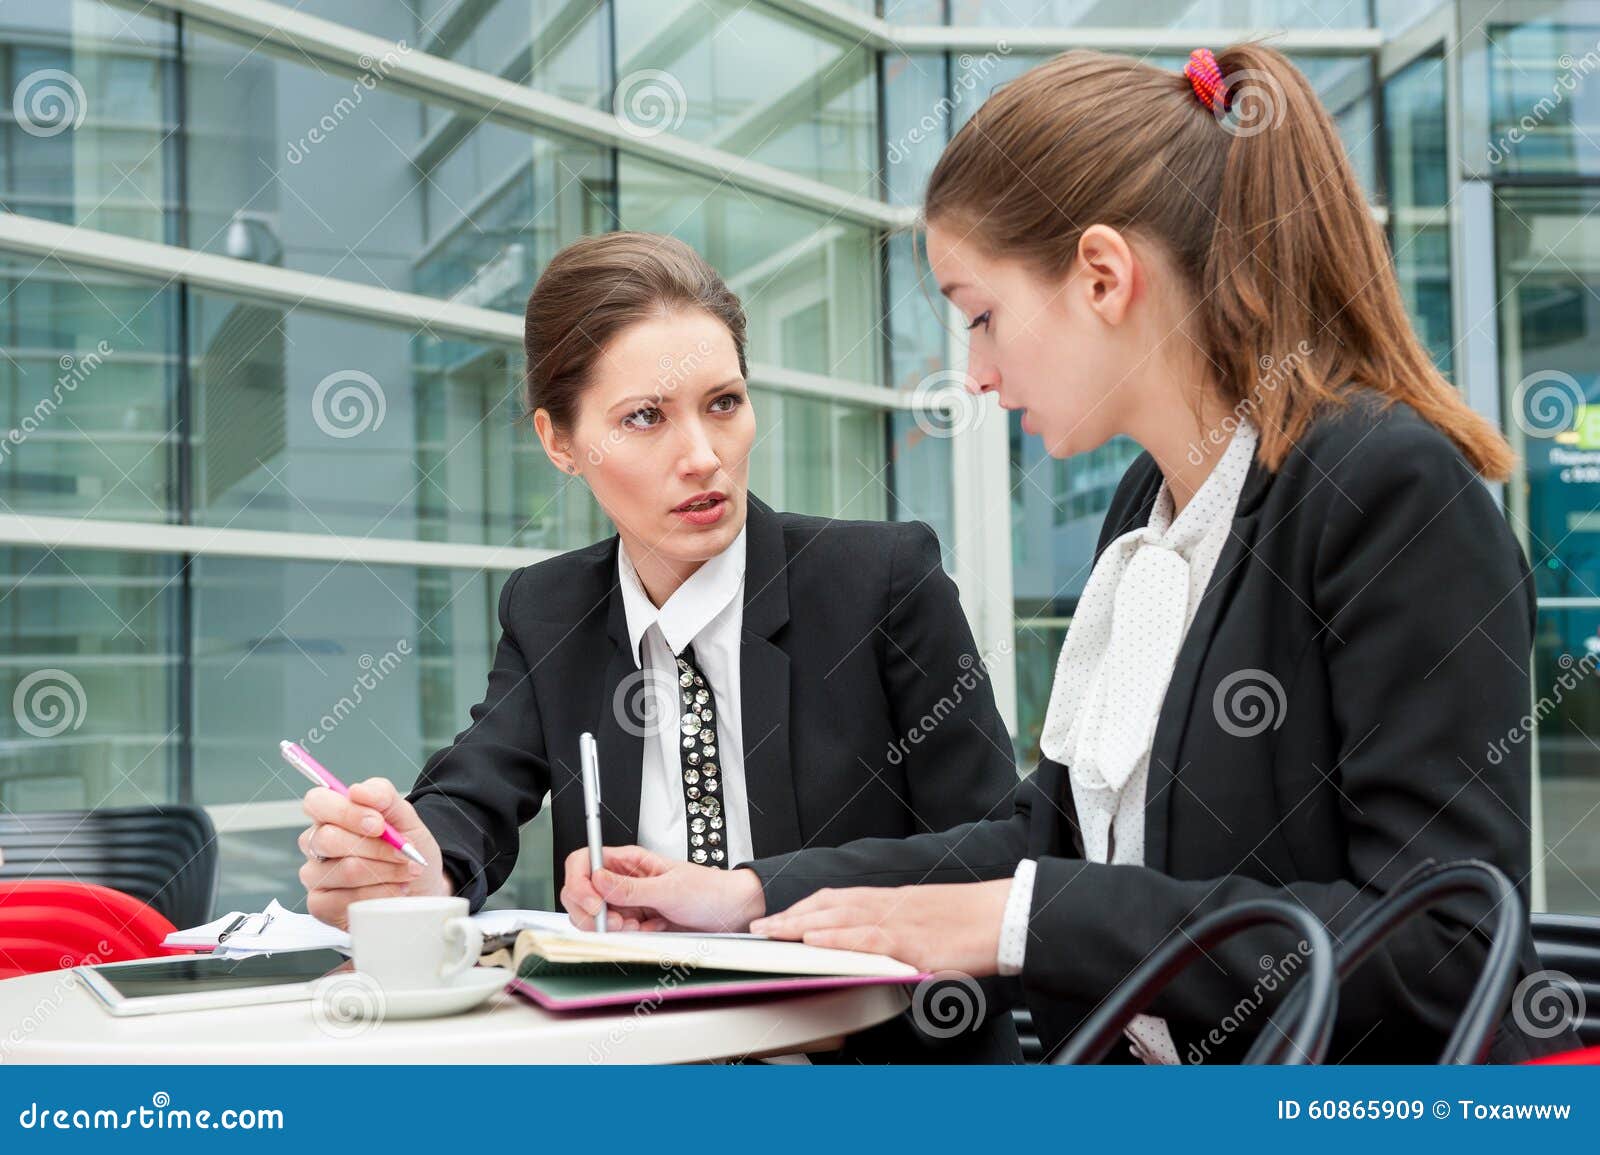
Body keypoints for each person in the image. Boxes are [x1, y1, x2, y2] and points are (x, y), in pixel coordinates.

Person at [557, 46, 1584, 1064]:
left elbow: (1443, 943)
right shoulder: (1150, 510)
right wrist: (749, 892)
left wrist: (1021, 921)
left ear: (1102, 275)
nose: (974, 372)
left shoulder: (1385, 488)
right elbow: (1049, 832)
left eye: (981, 316)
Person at [295, 231, 1020, 1062]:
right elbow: (471, 794)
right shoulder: (549, 610)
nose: (704, 457)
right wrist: (415, 866)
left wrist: (753, 892)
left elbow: (999, 852)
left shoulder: (880, 581)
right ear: (560, 442)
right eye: (645, 417)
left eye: (724, 403)